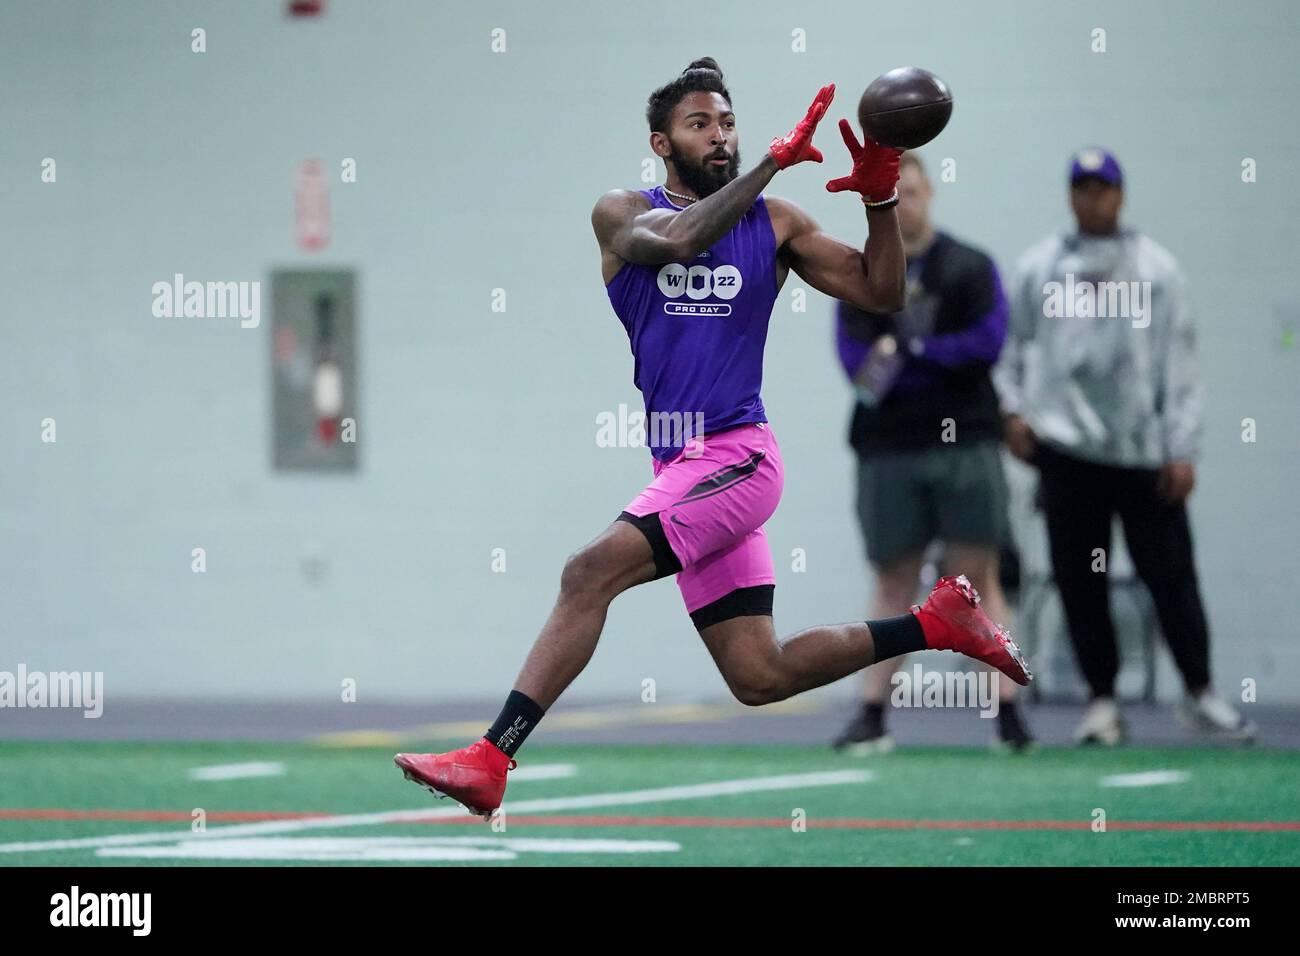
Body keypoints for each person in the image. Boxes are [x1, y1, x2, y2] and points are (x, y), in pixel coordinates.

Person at [395, 58, 1031, 817]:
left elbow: (882, 290)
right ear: (661, 142)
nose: (720, 135)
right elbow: (680, 239)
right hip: (681, 465)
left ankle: (491, 758)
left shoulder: (777, 222)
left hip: (738, 456)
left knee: (587, 572)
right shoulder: (620, 211)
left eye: (729, 122)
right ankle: (934, 622)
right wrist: (771, 163)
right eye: (700, 124)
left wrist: (882, 195)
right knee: (758, 676)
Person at [994, 147, 1254, 745]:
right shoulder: (1040, 267)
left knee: (1170, 577)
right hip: (1066, 454)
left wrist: (1183, 448)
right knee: (1080, 582)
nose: (1094, 199)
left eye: (1103, 188)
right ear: (1070, 196)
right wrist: (1012, 413)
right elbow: (1010, 353)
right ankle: (1102, 702)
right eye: (1082, 189)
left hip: (1143, 454)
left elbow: (1181, 367)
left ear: (1120, 194)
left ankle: (1200, 694)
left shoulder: (1158, 270)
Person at [830, 153, 1033, 753]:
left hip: (966, 443)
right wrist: (931, 356)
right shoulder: (861, 273)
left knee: (977, 578)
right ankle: (872, 714)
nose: (904, 205)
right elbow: (863, 374)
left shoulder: (970, 267)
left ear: (929, 192)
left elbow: (985, 347)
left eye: (911, 193)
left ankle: (1009, 715)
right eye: (893, 197)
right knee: (893, 579)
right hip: (887, 450)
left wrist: (909, 349)